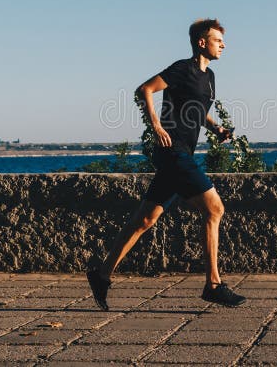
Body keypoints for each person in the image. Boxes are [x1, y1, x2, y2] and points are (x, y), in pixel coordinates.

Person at [87, 18, 246, 310]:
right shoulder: (181, 69)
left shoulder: (209, 77)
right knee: (215, 209)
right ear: (202, 42)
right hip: (173, 152)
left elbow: (198, 110)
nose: (223, 45)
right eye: (217, 40)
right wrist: (156, 125)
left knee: (145, 220)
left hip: (184, 153)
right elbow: (145, 89)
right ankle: (213, 285)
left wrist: (216, 128)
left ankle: (101, 274)